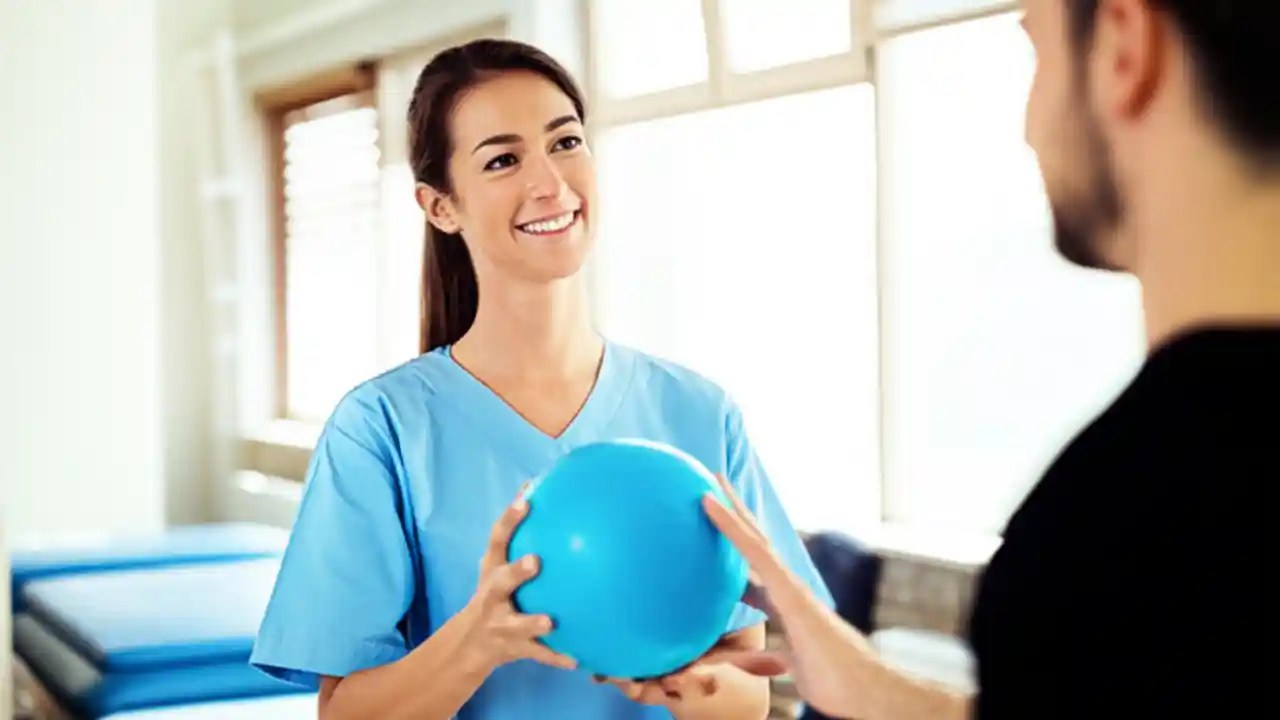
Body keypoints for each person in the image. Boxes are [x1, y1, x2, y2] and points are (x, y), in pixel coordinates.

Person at [698, 0, 1278, 718]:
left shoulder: (1129, 536)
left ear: (1124, 48)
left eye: (1039, 53)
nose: (1029, 128)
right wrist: (878, 691)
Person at [248, 38, 833, 720]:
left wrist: (692, 684)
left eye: (566, 142)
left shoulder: (700, 413)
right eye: (503, 160)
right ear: (440, 207)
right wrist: (479, 639)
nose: (551, 183)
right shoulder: (382, 429)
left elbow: (746, 692)